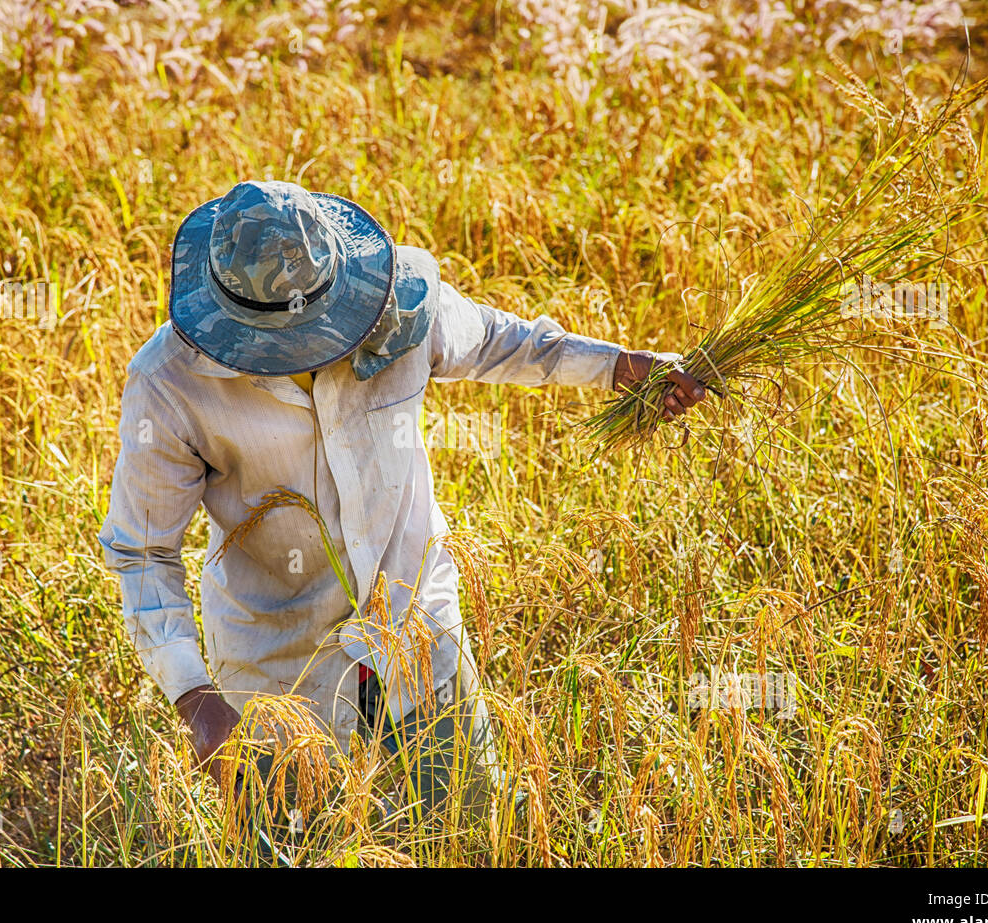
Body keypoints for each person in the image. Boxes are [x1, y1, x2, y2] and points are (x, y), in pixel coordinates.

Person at [99, 179, 706, 832]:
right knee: (292, 847)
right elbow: (143, 549)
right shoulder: (170, 381)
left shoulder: (398, 309)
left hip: (419, 639)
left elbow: (502, 341)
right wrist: (197, 699)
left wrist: (618, 366)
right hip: (280, 666)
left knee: (469, 834)